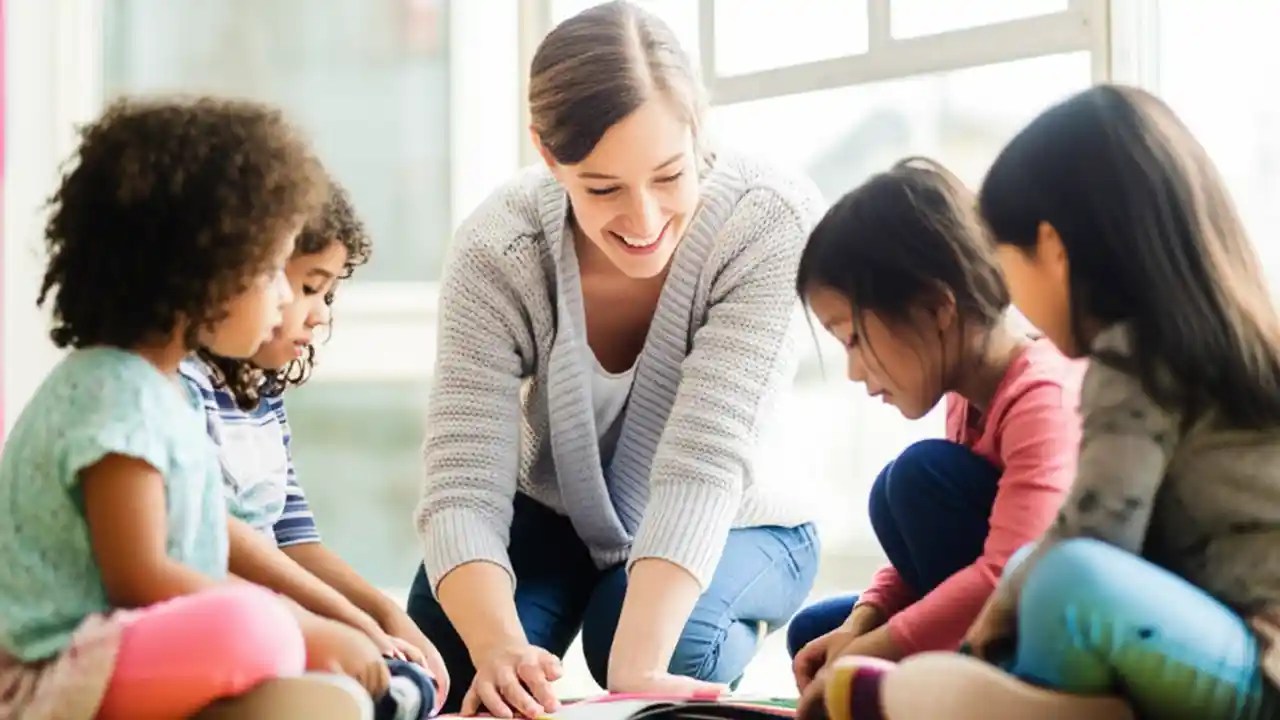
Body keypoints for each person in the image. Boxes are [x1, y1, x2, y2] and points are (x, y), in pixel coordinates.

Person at [406, 2, 823, 716]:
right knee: (449, 661)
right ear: (547, 156)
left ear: (699, 130)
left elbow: (707, 460)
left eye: (669, 176)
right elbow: (463, 484)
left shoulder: (767, 220)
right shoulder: (497, 249)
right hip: (553, 514)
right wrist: (498, 646)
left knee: (645, 654)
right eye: (602, 188)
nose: (644, 219)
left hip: (736, 518)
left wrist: (637, 664)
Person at [815, 85, 1280, 720]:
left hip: (1258, 663)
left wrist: (999, 613)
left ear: (1055, 251)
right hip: (1223, 639)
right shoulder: (1210, 341)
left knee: (1066, 576)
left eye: (1006, 259)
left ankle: (1020, 701)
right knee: (1042, 566)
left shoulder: (1136, 361)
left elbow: (1098, 536)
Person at [0, 97, 383, 720]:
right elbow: (142, 578)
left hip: (119, 654)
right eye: (270, 272)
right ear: (203, 275)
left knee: (264, 632)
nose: (285, 293)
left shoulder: (156, 388)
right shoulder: (113, 393)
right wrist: (301, 627)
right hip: (55, 674)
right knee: (252, 630)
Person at [789, 158, 1082, 695]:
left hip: (1043, 623)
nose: (854, 372)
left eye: (853, 339)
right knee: (817, 632)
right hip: (994, 603)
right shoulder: (966, 398)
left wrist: (867, 653)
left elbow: (1008, 572)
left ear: (935, 308)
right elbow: (920, 564)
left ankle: (982, 686)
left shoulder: (1043, 393)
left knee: (914, 479)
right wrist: (861, 626)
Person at [181, 182, 448, 719]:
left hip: (269, 607)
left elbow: (295, 539)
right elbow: (211, 538)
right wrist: (339, 623)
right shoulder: (181, 385)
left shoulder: (261, 394)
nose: (318, 315)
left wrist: (385, 617)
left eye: (327, 294)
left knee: (409, 681)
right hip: (210, 606)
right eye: (307, 287)